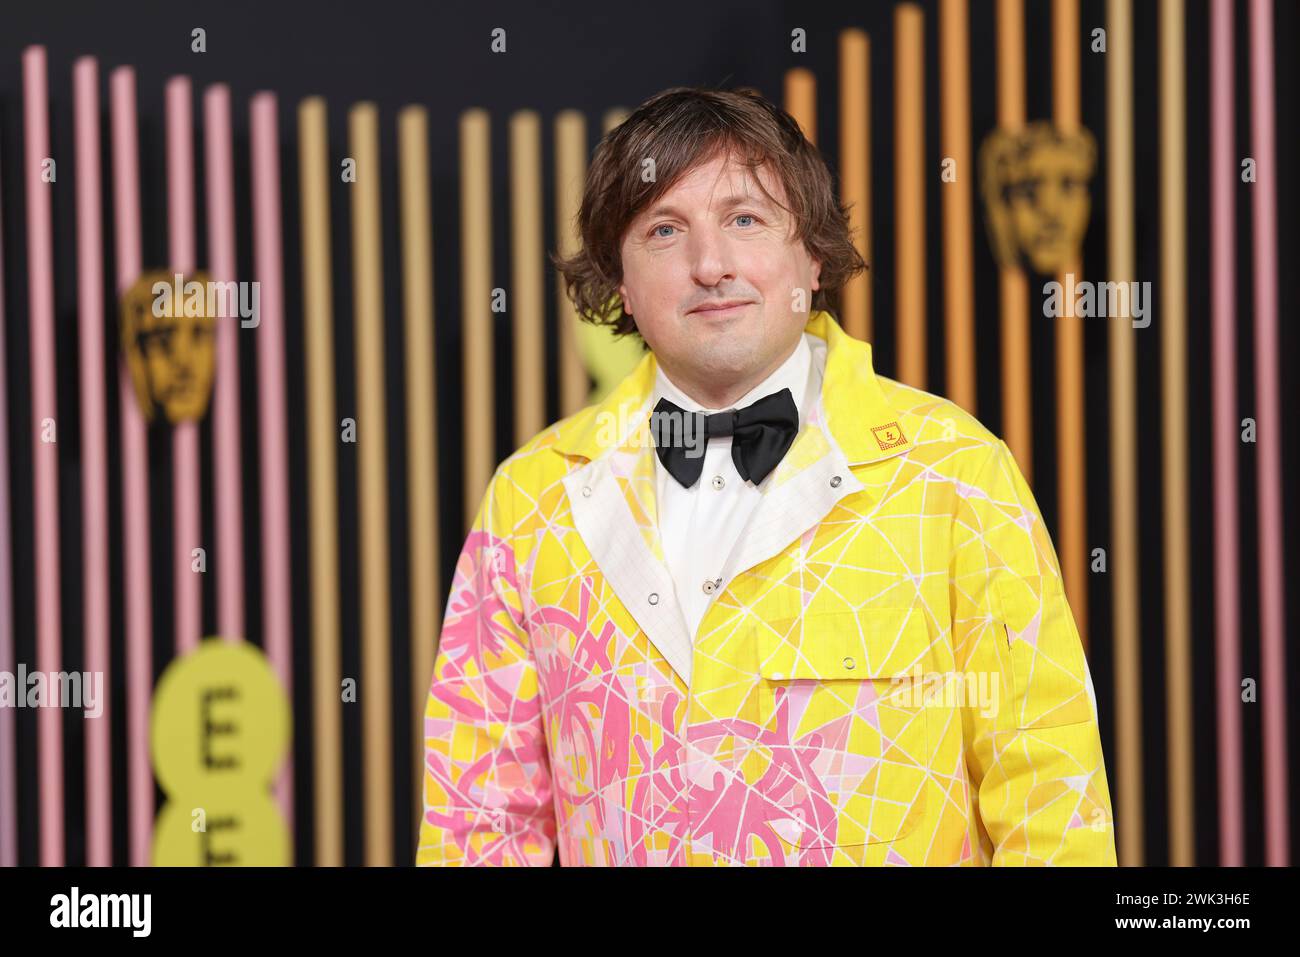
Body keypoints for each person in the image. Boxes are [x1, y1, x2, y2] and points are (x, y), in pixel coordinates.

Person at [416, 86, 1116, 866]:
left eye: (744, 219)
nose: (710, 265)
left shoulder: (953, 470)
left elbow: (1051, 793)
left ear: (812, 254)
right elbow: (478, 824)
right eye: (664, 230)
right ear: (618, 280)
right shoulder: (531, 499)